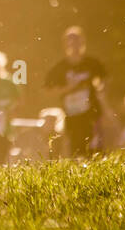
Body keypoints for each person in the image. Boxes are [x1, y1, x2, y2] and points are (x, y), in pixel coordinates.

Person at [42, 26, 107, 158]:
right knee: (76, 146)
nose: (74, 45)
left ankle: (96, 171)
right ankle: (79, 172)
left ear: (83, 42)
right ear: (65, 44)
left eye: (77, 41)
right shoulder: (60, 67)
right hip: (71, 112)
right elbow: (46, 90)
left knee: (95, 144)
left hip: (92, 110)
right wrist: (69, 88)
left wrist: (100, 91)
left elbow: (105, 81)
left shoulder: (92, 63)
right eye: (70, 41)